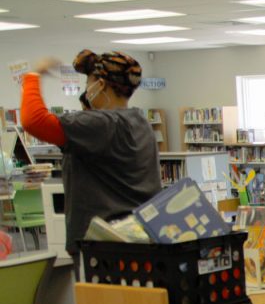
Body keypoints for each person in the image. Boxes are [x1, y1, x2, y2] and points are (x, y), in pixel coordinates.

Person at [20, 50, 160, 255]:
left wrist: (33, 76)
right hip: (141, 234)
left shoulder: (102, 124)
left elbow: (34, 121)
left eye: (88, 83)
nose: (86, 90)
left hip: (103, 243)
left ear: (101, 84)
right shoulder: (139, 121)